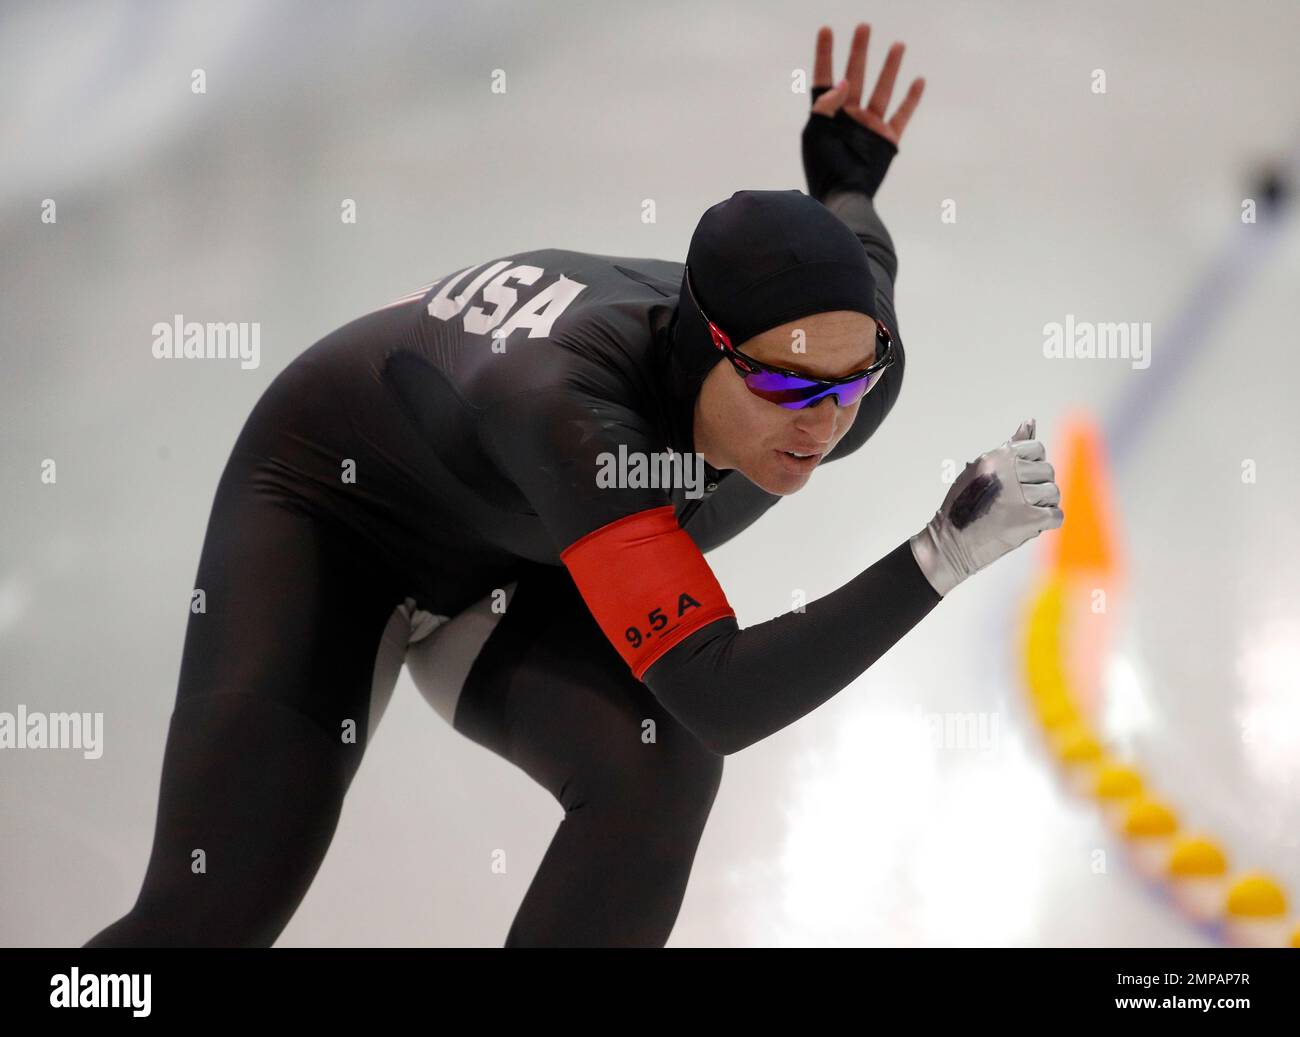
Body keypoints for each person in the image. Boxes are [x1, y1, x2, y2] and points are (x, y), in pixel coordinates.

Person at [84, 23, 1061, 948]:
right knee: (212, 913)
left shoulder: (842, 359)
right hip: (336, 520)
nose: (824, 420)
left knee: (658, 766)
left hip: (519, 546)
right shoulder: (575, 410)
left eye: (852, 384)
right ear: (697, 350)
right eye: (783, 384)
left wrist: (845, 184)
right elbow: (721, 691)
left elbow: (861, 253)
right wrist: (942, 553)